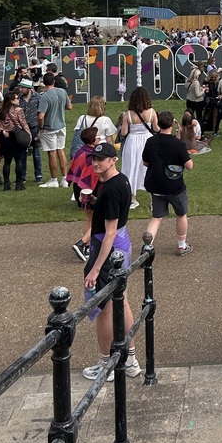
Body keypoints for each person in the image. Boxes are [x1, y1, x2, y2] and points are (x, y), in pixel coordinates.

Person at [81, 142, 141, 382]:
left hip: (109, 250)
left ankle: (106, 363)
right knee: (122, 301)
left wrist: (95, 269)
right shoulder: (120, 180)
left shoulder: (112, 187)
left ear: (113, 160)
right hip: (122, 246)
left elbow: (111, 232)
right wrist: (95, 204)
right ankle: (131, 360)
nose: (97, 162)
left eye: (102, 159)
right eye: (95, 158)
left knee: (103, 308)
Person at [143, 110, 194, 255]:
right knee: (181, 214)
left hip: (156, 185)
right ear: (172, 124)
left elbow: (145, 162)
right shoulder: (177, 144)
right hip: (174, 186)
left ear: (158, 124)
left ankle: (147, 247)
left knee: (156, 217)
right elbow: (189, 166)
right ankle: (181, 245)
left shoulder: (150, 141)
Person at [119, 86, 159, 209]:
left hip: (132, 141)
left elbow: (124, 133)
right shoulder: (151, 112)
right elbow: (157, 129)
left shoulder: (128, 114)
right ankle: (153, 201)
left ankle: (132, 199)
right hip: (147, 140)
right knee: (149, 169)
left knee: (131, 167)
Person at [68, 126, 99, 263]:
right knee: (98, 221)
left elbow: (74, 169)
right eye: (98, 136)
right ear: (93, 140)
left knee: (89, 219)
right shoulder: (92, 157)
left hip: (79, 188)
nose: (100, 138)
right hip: (88, 190)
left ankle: (88, 246)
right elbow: (92, 177)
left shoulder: (79, 151)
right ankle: (83, 244)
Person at [37, 70, 72, 188]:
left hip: (49, 128)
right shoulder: (62, 91)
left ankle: (53, 180)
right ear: (54, 81)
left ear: (43, 83)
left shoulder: (45, 96)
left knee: (52, 153)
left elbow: (41, 116)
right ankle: (65, 179)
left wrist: (40, 127)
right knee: (61, 151)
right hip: (61, 126)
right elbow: (69, 107)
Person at [0, 90, 31, 191]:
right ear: (12, 101)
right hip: (16, 137)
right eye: (16, 98)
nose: (18, 100)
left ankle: (6, 184)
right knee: (19, 160)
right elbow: (23, 124)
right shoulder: (18, 110)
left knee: (7, 161)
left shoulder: (0, 111)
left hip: (5, 138)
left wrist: (1, 131)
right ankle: (19, 184)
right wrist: (28, 135)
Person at [15, 78, 43, 185]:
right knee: (23, 153)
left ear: (29, 88)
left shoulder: (38, 98)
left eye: (23, 88)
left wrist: (41, 129)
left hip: (35, 127)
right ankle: (22, 176)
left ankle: (38, 175)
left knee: (36, 153)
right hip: (23, 129)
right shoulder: (19, 98)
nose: (21, 89)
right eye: (20, 87)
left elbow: (41, 112)